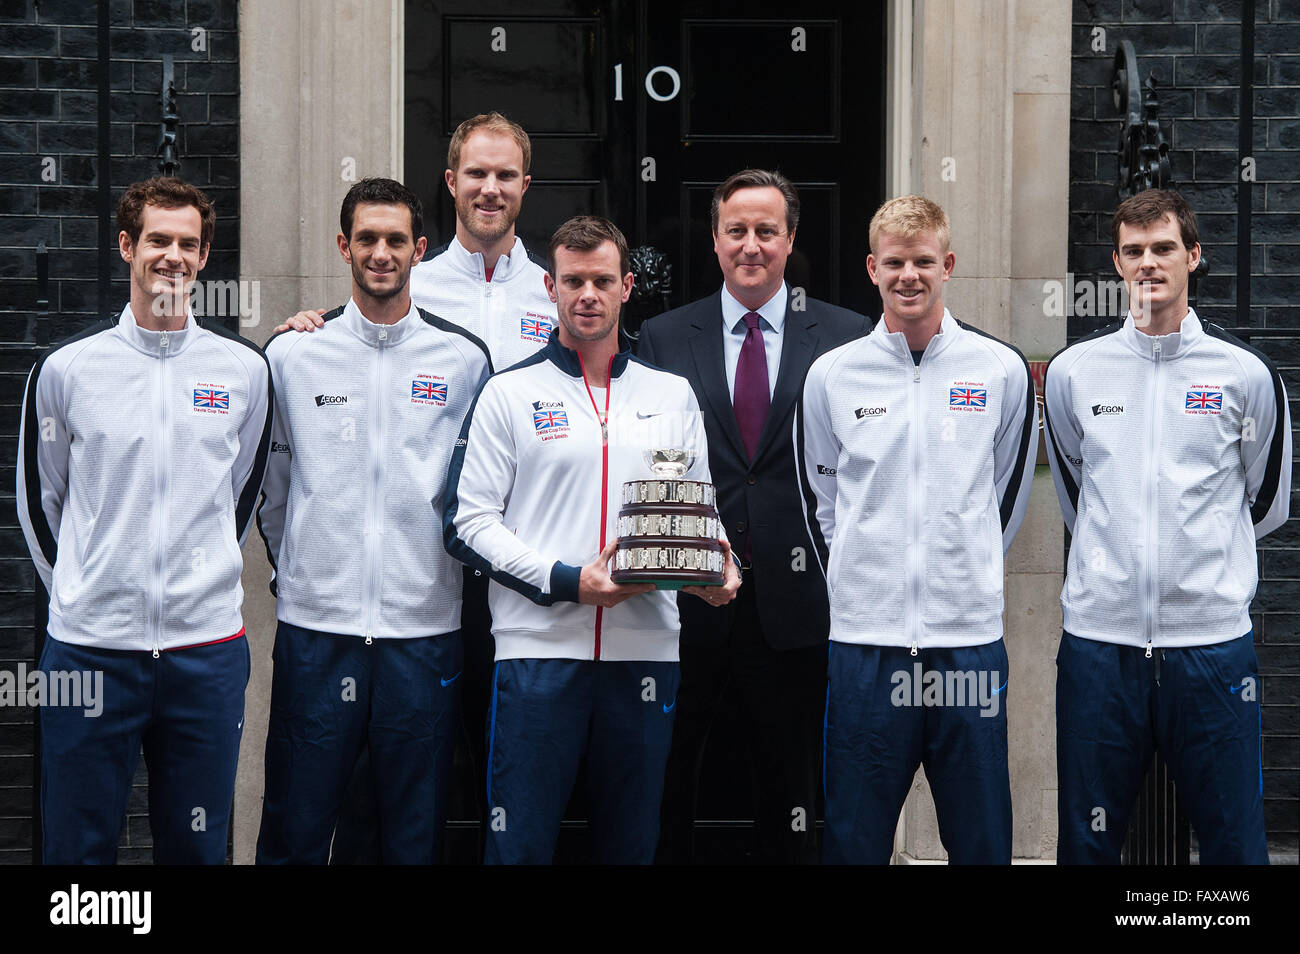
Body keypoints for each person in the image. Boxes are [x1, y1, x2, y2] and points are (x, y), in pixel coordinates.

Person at [272, 113, 555, 861]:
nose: (489, 189)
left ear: (525, 185)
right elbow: (272, 482)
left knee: (475, 790)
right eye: (476, 173)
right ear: (452, 181)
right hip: (370, 600)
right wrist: (300, 558)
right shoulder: (328, 336)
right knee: (334, 804)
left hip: (507, 590)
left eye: (505, 175)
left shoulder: (558, 292)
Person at [443, 216, 741, 864]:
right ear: (549, 287)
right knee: (518, 844)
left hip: (646, 656)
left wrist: (723, 566)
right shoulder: (509, 393)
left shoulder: (672, 394)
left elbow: (699, 508)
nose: (588, 295)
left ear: (626, 286)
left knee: (631, 847)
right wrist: (567, 580)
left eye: (602, 280)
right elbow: (468, 522)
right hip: (537, 655)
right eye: (573, 280)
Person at [16, 177, 273, 864]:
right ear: (127, 245)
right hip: (90, 653)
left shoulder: (245, 373)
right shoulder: (67, 369)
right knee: (78, 851)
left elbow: (241, 496)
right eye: (158, 239)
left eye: (188, 243)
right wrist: (84, 594)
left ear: (204, 255)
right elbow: (41, 503)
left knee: (195, 849)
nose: (173, 256)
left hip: (205, 655)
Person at [1043, 188, 1290, 865]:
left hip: (1210, 649)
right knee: (1087, 845)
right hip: (1100, 647)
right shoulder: (1073, 374)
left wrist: (1202, 567)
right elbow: (1077, 492)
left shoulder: (1244, 375)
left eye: (1163, 248)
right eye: (1133, 251)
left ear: (1194, 255)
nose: (1148, 262)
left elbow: (1265, 502)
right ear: (1117, 263)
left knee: (1234, 846)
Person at [254, 178, 491, 864]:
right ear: (343, 246)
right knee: (296, 823)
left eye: (395, 240)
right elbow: (273, 487)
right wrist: (301, 569)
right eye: (366, 239)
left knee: (412, 835)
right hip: (316, 633)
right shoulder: (293, 354)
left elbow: (478, 489)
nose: (380, 253)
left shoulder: (465, 360)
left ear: (419, 249)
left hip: (424, 634)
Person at [636, 169, 868, 864]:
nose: (751, 245)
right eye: (736, 230)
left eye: (767, 231)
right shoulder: (663, 335)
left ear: (790, 240)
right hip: (687, 596)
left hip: (796, 603)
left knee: (790, 786)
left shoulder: (845, 334)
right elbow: (649, 458)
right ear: (714, 241)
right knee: (669, 777)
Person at [798, 195, 1037, 864]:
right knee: (854, 839)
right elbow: (824, 503)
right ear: (873, 268)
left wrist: (969, 573)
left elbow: (1006, 499)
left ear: (948, 265)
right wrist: (857, 583)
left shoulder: (1000, 370)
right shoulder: (832, 376)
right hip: (866, 651)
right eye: (896, 262)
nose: (910, 275)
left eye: (924, 261)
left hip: (965, 649)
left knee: (981, 836)